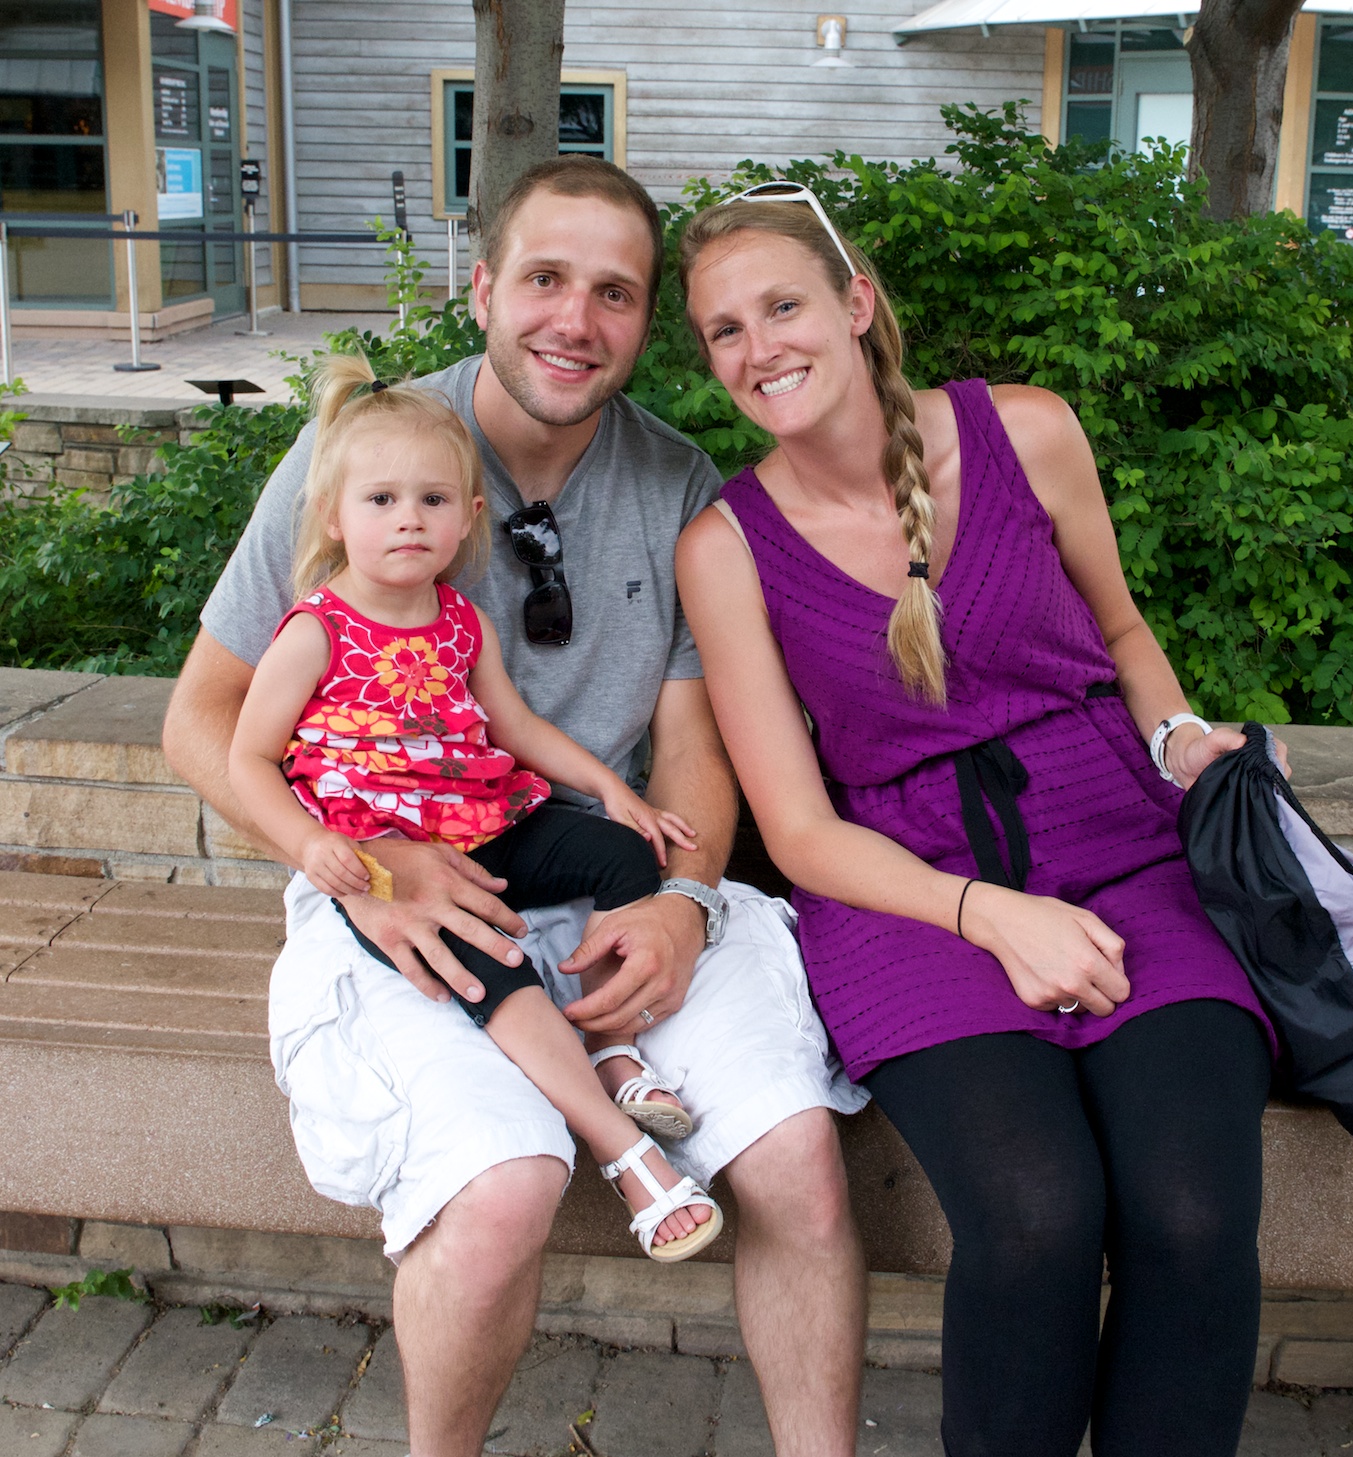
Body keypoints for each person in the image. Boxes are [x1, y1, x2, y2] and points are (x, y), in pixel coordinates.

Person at [163, 158, 869, 1457]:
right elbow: (201, 723)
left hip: (613, 879)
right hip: (405, 886)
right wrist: (365, 865)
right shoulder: (366, 457)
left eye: (614, 293)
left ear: (645, 323)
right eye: (544, 278)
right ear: (483, 286)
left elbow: (691, 743)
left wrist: (687, 904)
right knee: (500, 1191)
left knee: (799, 1170)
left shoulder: (680, 486)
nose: (573, 320)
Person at [674, 185, 1281, 1457]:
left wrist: (1178, 736)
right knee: (1034, 1211)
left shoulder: (1026, 432)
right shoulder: (727, 545)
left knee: (1190, 1212)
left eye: (781, 305)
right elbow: (795, 830)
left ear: (855, 303)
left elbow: (1121, 633)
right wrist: (991, 914)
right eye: (723, 329)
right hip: (906, 892)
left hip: (1128, 851)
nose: (757, 348)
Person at [226, 350, 720, 1262]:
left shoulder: (461, 620)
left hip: (488, 818)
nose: (408, 519)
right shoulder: (316, 629)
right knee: (485, 955)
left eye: (432, 500)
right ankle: (629, 1155)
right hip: (390, 854)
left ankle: (612, 1044)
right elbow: (248, 757)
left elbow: (515, 723)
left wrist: (614, 788)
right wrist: (313, 845)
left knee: (624, 860)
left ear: (469, 517)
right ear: (334, 516)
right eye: (380, 501)